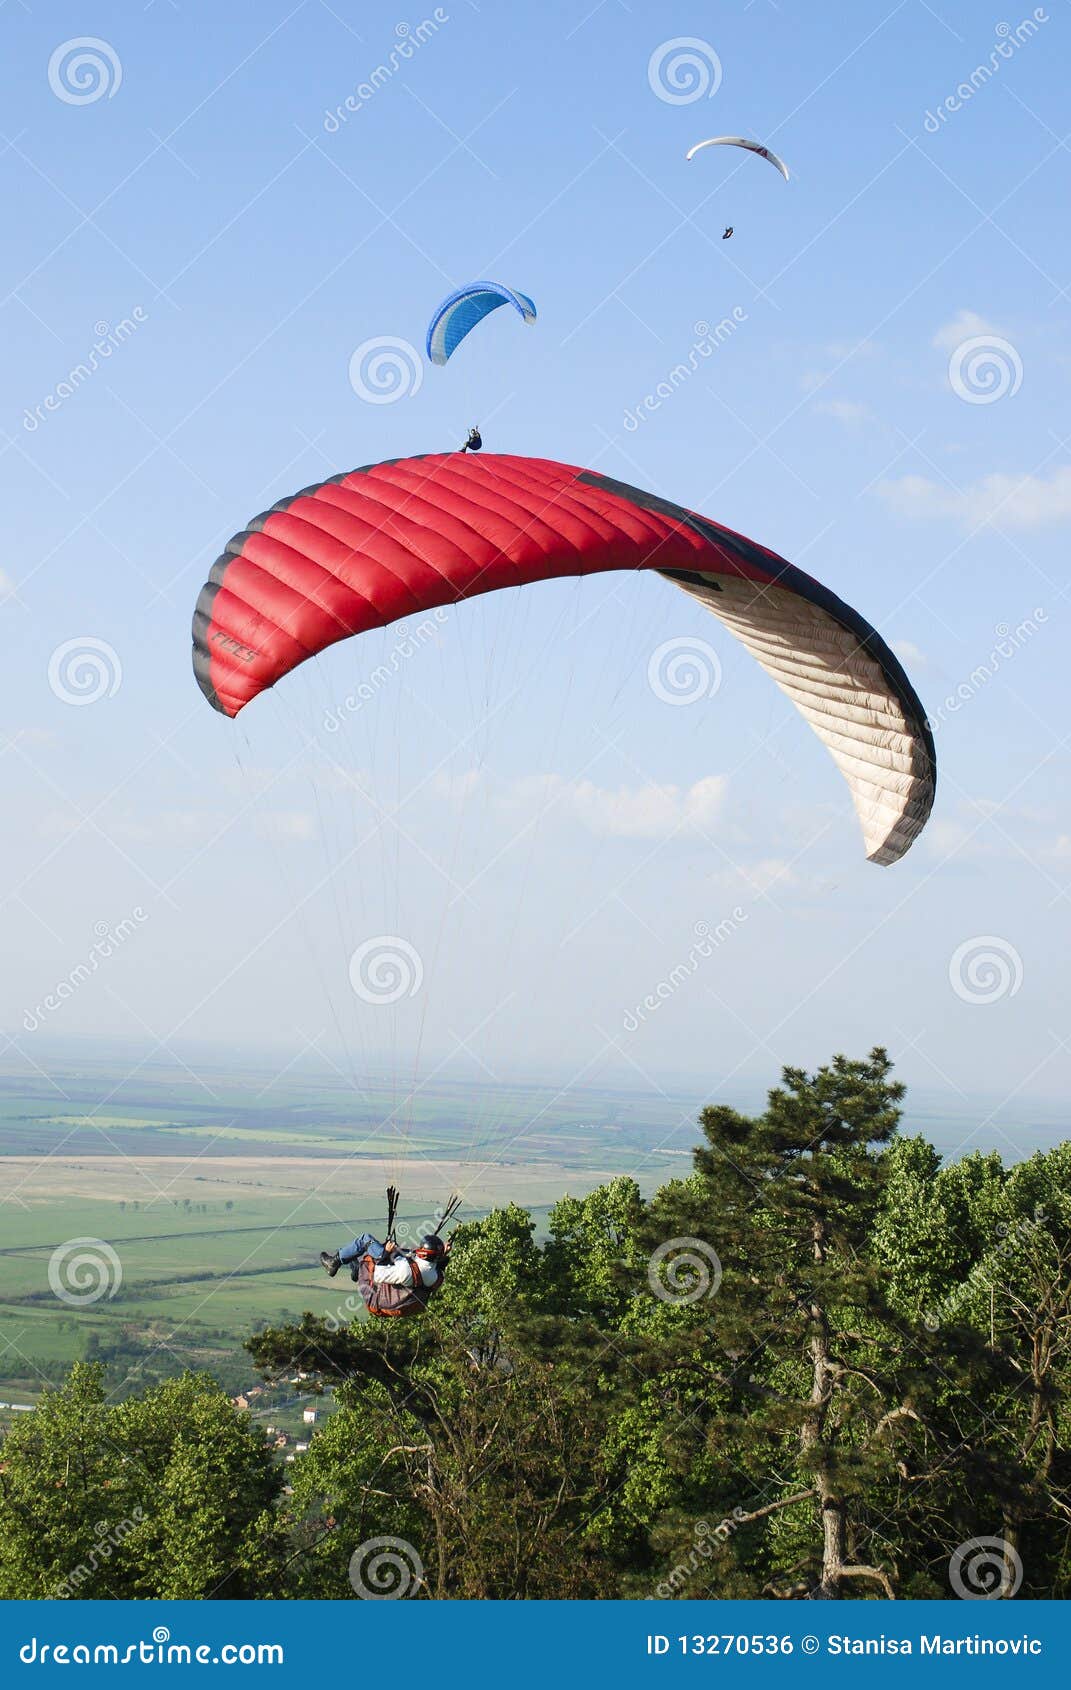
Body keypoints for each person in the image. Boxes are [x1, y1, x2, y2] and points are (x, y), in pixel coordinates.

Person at [320, 1231, 450, 1318]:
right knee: (365, 1257)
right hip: (395, 1302)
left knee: (366, 1241)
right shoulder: (436, 1277)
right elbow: (423, 1261)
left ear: (424, 1253)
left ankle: (334, 1262)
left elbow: (377, 1274)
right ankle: (355, 1269)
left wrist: (386, 1252)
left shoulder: (405, 1269)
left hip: (374, 1296)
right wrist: (443, 1252)